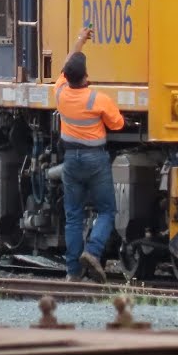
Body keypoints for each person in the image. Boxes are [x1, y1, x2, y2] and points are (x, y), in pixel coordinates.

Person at [55, 27, 124, 282]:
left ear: (66, 76)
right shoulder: (98, 99)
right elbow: (118, 124)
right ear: (86, 76)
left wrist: (79, 42)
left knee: (73, 216)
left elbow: (66, 66)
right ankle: (92, 251)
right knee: (106, 210)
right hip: (95, 160)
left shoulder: (60, 92)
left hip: (71, 161)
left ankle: (73, 272)